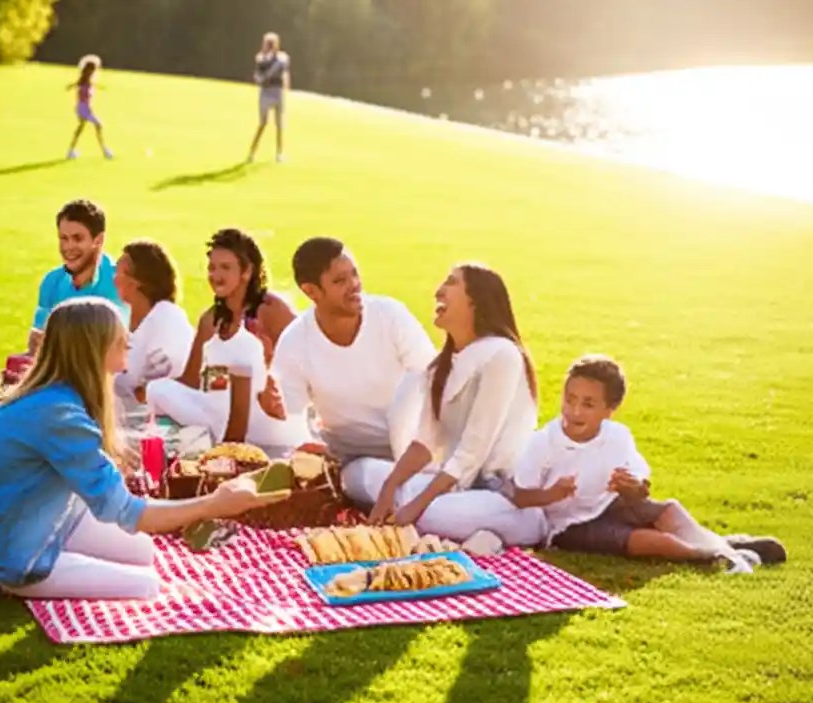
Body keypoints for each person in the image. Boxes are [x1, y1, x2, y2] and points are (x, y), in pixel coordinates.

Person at [0, 298, 289, 599]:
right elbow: (128, 513)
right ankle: (1, 575)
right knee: (147, 585)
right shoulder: (60, 417)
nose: (129, 346)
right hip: (8, 554)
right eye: (121, 341)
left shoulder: (41, 398)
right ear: (96, 350)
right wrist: (214, 504)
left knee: (143, 551)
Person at [512, 355, 786, 572]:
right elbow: (520, 497)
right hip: (569, 527)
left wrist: (631, 488)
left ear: (609, 409)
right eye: (570, 400)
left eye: (588, 404)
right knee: (649, 540)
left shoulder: (618, 436)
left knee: (668, 510)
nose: (574, 411)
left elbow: (642, 489)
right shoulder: (544, 442)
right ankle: (718, 555)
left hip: (609, 505)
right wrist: (553, 494)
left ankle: (723, 546)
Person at [345, 264, 547, 547]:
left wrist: (416, 506)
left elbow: (473, 451)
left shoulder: (502, 355)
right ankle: (483, 536)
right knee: (356, 473)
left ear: (475, 301)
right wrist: (389, 490)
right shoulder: (440, 366)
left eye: (450, 283)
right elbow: (425, 445)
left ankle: (505, 528)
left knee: (431, 514)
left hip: (502, 496)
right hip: (454, 488)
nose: (438, 291)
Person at [267, 237, 436, 461]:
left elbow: (432, 376)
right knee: (366, 475)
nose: (354, 285)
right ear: (311, 291)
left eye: (354, 274)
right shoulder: (294, 342)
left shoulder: (391, 315)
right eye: (340, 280)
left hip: (414, 448)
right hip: (350, 457)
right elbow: (292, 418)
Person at [145, 228, 305, 450]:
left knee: (245, 357)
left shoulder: (270, 308)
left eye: (225, 267)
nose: (215, 275)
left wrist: (272, 372)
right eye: (212, 268)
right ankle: (195, 441)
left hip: (266, 420)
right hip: (219, 416)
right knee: (157, 389)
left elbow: (305, 357)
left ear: (247, 271)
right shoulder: (210, 320)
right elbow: (191, 381)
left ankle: (220, 442)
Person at [30, 199, 127, 353]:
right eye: (63, 238)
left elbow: (114, 349)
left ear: (99, 240)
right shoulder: (51, 282)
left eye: (78, 238)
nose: (68, 247)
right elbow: (37, 341)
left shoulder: (120, 284)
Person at [111, 240, 194, 416]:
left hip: (159, 420)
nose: (114, 279)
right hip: (126, 415)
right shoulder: (125, 316)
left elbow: (164, 384)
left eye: (119, 273)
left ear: (137, 282)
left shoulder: (167, 320)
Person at [247, 32, 289, 163]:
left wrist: (286, 87)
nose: (270, 46)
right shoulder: (261, 59)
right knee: (263, 123)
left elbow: (284, 70)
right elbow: (259, 74)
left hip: (277, 92)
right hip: (266, 93)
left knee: (279, 124)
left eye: (272, 43)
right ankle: (252, 152)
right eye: (268, 43)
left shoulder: (282, 58)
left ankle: (279, 153)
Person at [65, 54, 113, 160]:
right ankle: (105, 151)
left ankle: (71, 151)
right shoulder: (85, 80)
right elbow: (85, 91)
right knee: (98, 125)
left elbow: (86, 85)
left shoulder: (85, 80)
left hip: (82, 108)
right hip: (84, 108)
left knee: (81, 129)